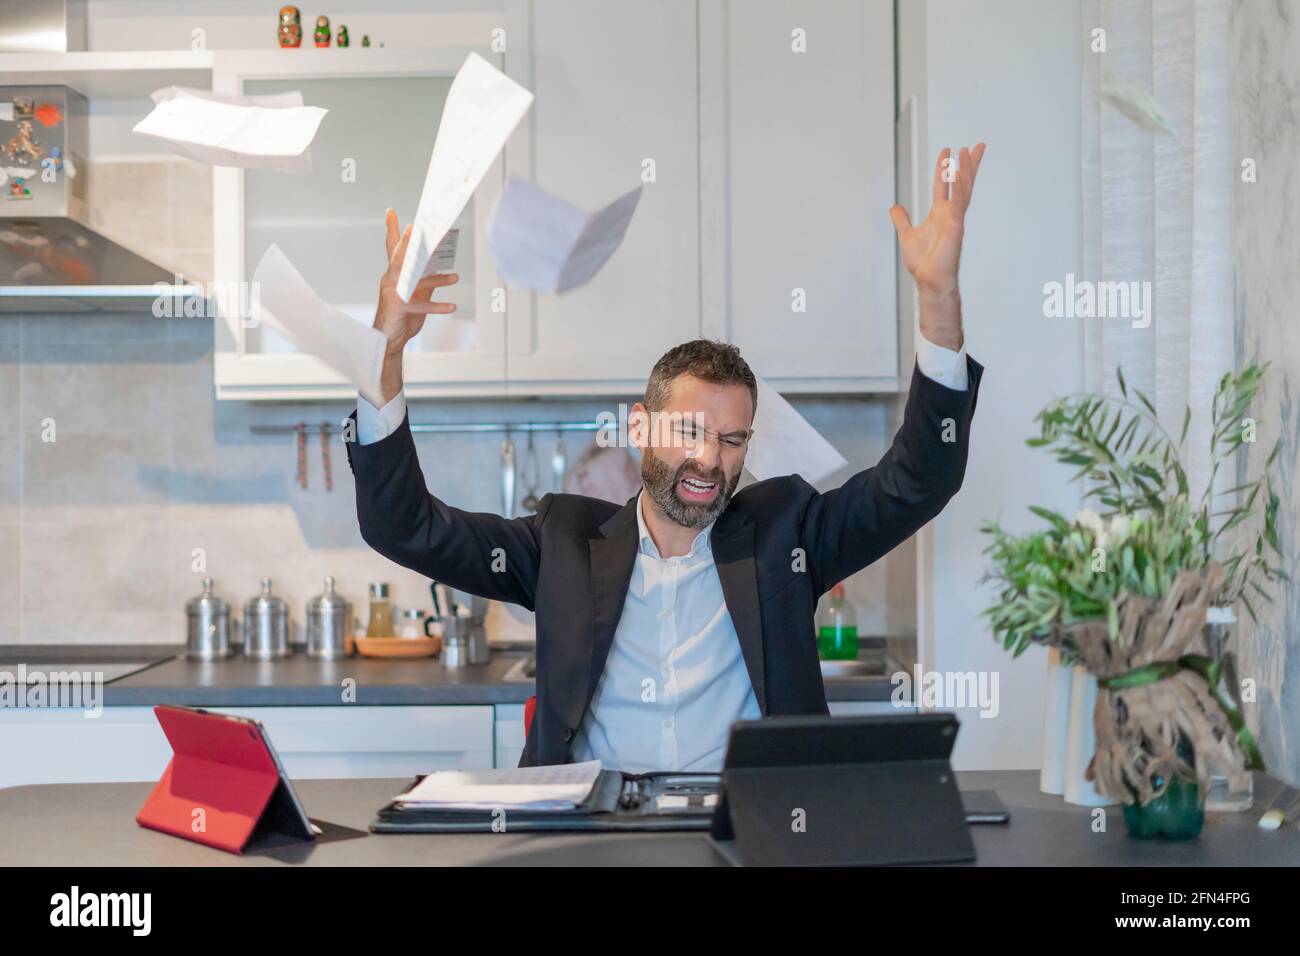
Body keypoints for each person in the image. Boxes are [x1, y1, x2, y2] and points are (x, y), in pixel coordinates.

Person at [346, 144, 987, 771]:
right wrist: (386, 351)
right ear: (640, 426)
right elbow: (403, 526)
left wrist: (938, 300)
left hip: (749, 825)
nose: (708, 458)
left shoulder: (788, 534)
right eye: (688, 430)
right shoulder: (563, 544)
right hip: (596, 831)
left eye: (731, 439)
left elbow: (921, 479)